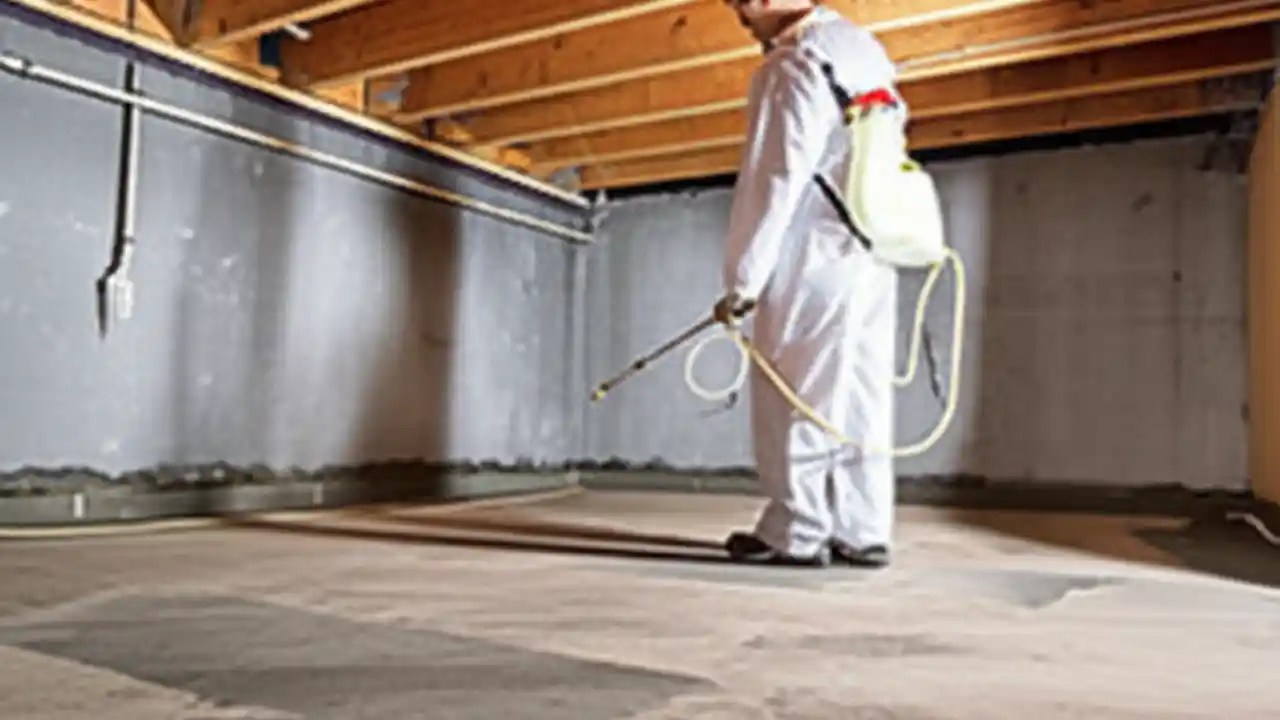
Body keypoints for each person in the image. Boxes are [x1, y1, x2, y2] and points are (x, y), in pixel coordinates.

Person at [714, 0, 901, 568]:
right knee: (859, 392)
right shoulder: (863, 50)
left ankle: (795, 531)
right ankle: (862, 527)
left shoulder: (792, 65)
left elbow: (772, 183)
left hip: (812, 256)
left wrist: (741, 282)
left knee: (795, 392)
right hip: (870, 249)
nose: (744, 17)